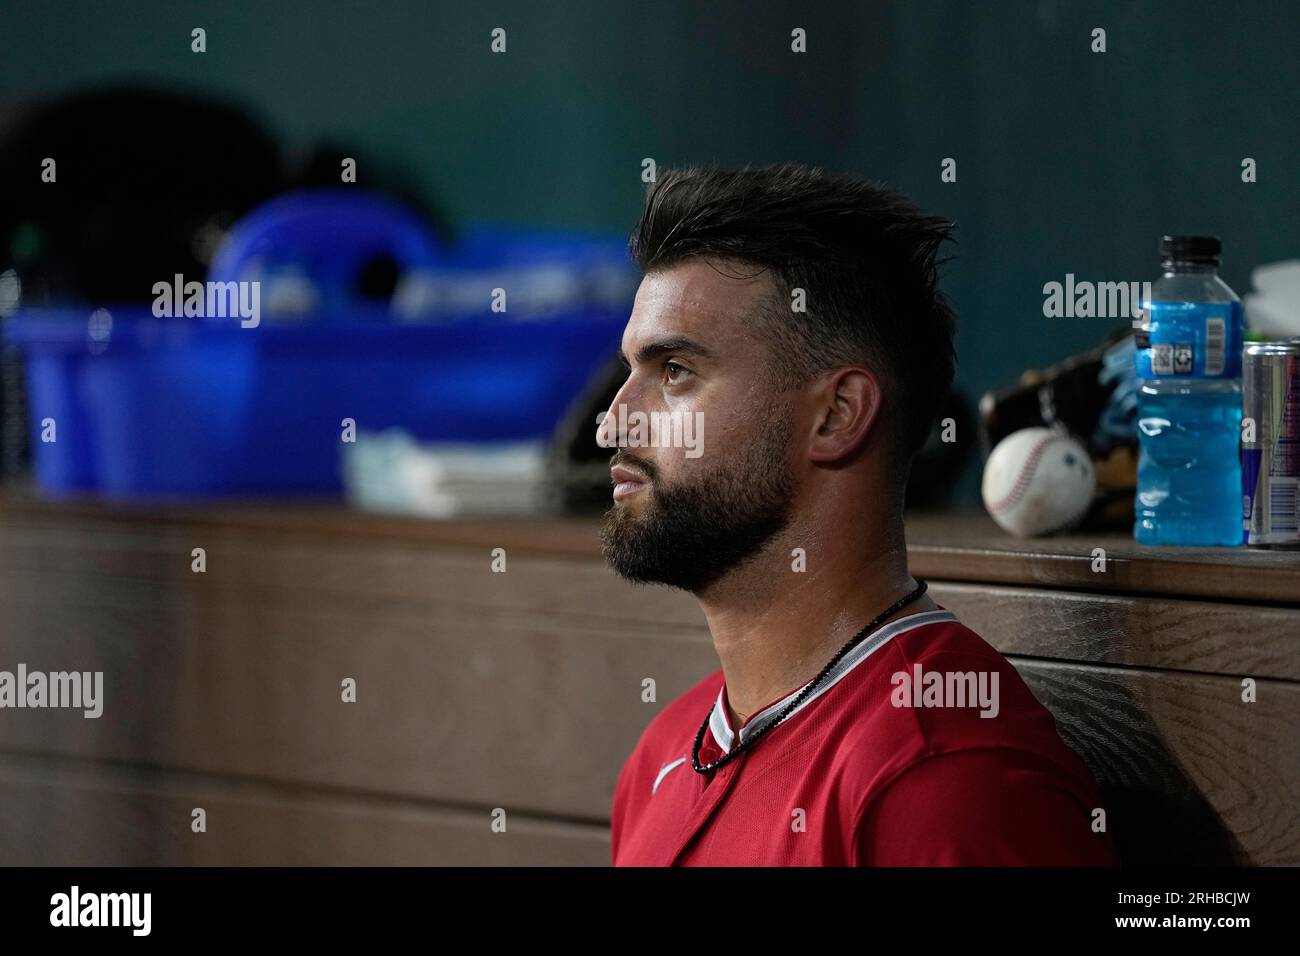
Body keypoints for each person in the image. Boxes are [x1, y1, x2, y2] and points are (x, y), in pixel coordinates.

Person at [602, 163, 1118, 866]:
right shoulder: (667, 749)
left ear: (837, 415)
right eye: (630, 370)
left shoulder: (944, 779)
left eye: (675, 372)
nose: (615, 419)